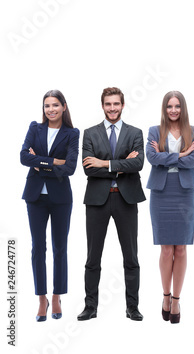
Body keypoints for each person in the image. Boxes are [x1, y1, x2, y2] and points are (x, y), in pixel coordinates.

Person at [78, 87, 145, 321]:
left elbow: (138, 164)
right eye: (108, 104)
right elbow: (88, 168)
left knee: (131, 257)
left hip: (126, 199)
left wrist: (104, 163)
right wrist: (121, 164)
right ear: (102, 106)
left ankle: (132, 307)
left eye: (116, 104)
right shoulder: (90, 133)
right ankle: (90, 307)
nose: (112, 108)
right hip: (97, 200)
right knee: (93, 257)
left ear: (123, 105)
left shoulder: (135, 133)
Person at [21, 90, 78, 322]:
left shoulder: (72, 133)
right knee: (38, 248)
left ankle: (56, 296)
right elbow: (24, 157)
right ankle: (41, 298)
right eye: (47, 105)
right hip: (35, 197)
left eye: (55, 105)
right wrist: (54, 162)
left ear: (64, 106)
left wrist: (40, 163)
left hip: (61, 198)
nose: (51, 109)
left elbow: (71, 167)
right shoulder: (35, 128)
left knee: (60, 248)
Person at [146, 91, 194, 324]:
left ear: (183, 108)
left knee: (181, 249)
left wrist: (168, 155)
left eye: (177, 106)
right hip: (161, 193)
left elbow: (193, 160)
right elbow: (151, 158)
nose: (173, 110)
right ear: (164, 108)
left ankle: (177, 300)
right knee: (166, 250)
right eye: (169, 106)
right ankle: (165, 296)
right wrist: (181, 153)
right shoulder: (154, 131)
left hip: (184, 193)